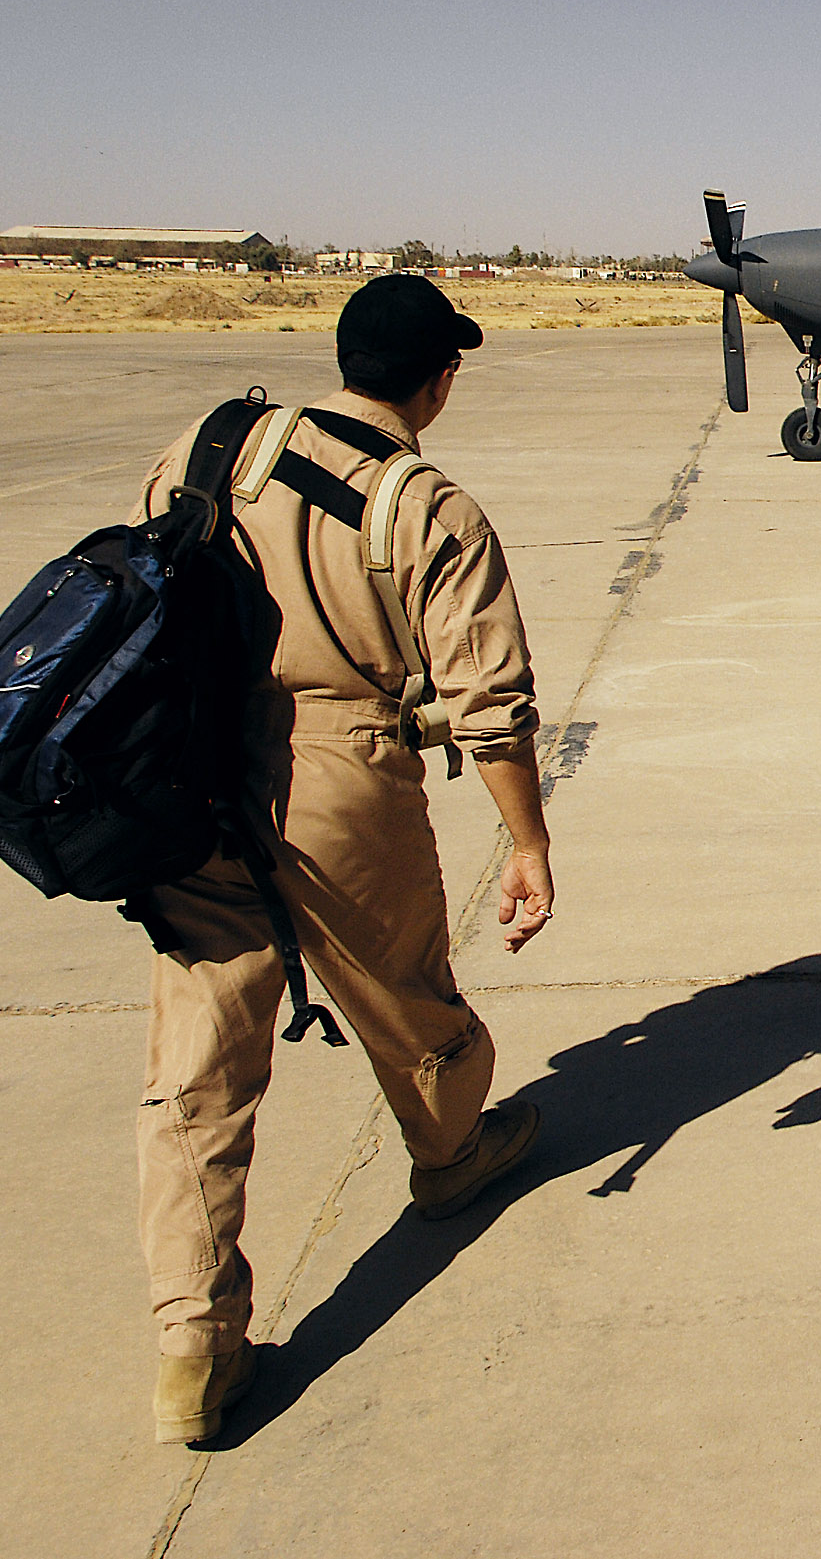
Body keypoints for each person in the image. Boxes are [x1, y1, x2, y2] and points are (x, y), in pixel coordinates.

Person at [132, 273, 556, 1446]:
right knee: (404, 992)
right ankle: (452, 1151)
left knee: (198, 1066)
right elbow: (491, 706)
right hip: (339, 773)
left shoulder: (211, 447)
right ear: (439, 382)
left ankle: (193, 1349)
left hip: (191, 774)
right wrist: (528, 842)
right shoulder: (426, 508)